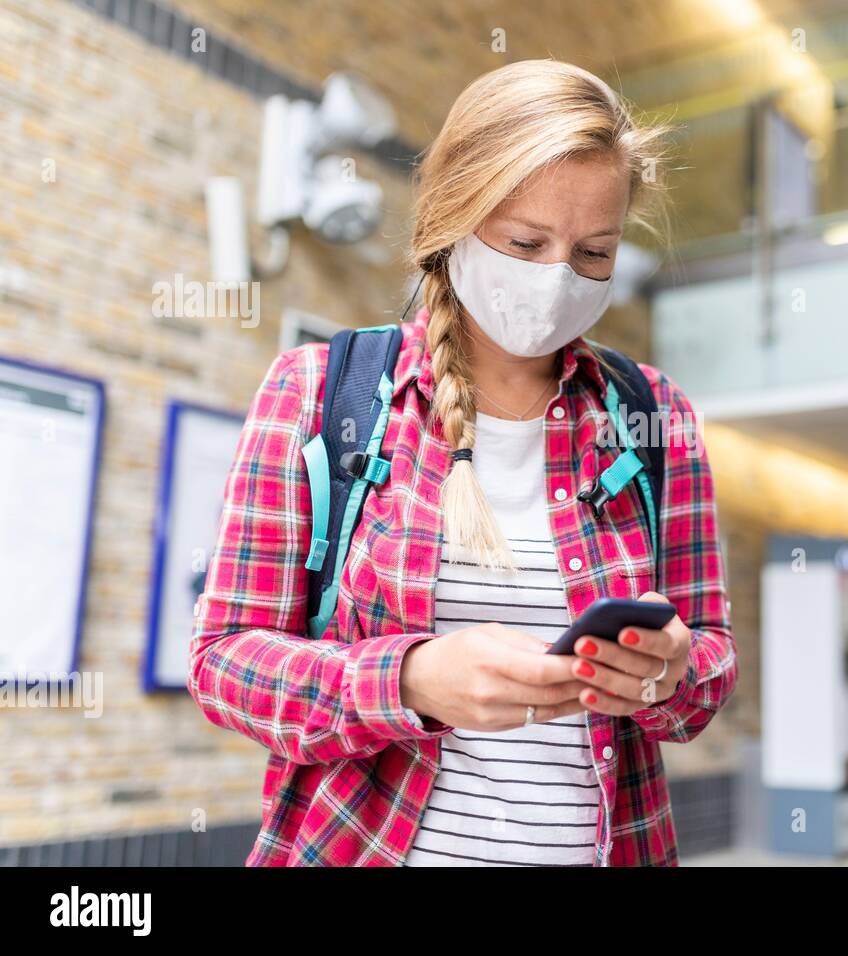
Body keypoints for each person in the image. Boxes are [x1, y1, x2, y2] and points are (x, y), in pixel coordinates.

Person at [188, 59, 736, 866]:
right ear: (454, 215)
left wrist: (669, 675)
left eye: (594, 252)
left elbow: (707, 663)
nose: (557, 278)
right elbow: (224, 663)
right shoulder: (318, 391)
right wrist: (409, 680)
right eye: (525, 242)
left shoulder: (654, 416)